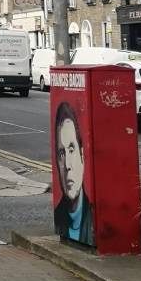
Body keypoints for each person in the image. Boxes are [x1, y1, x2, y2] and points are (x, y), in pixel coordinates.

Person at [53, 101, 94, 247]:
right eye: (61, 153)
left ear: (82, 155)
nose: (67, 165)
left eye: (71, 150)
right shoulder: (59, 217)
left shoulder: (94, 219)